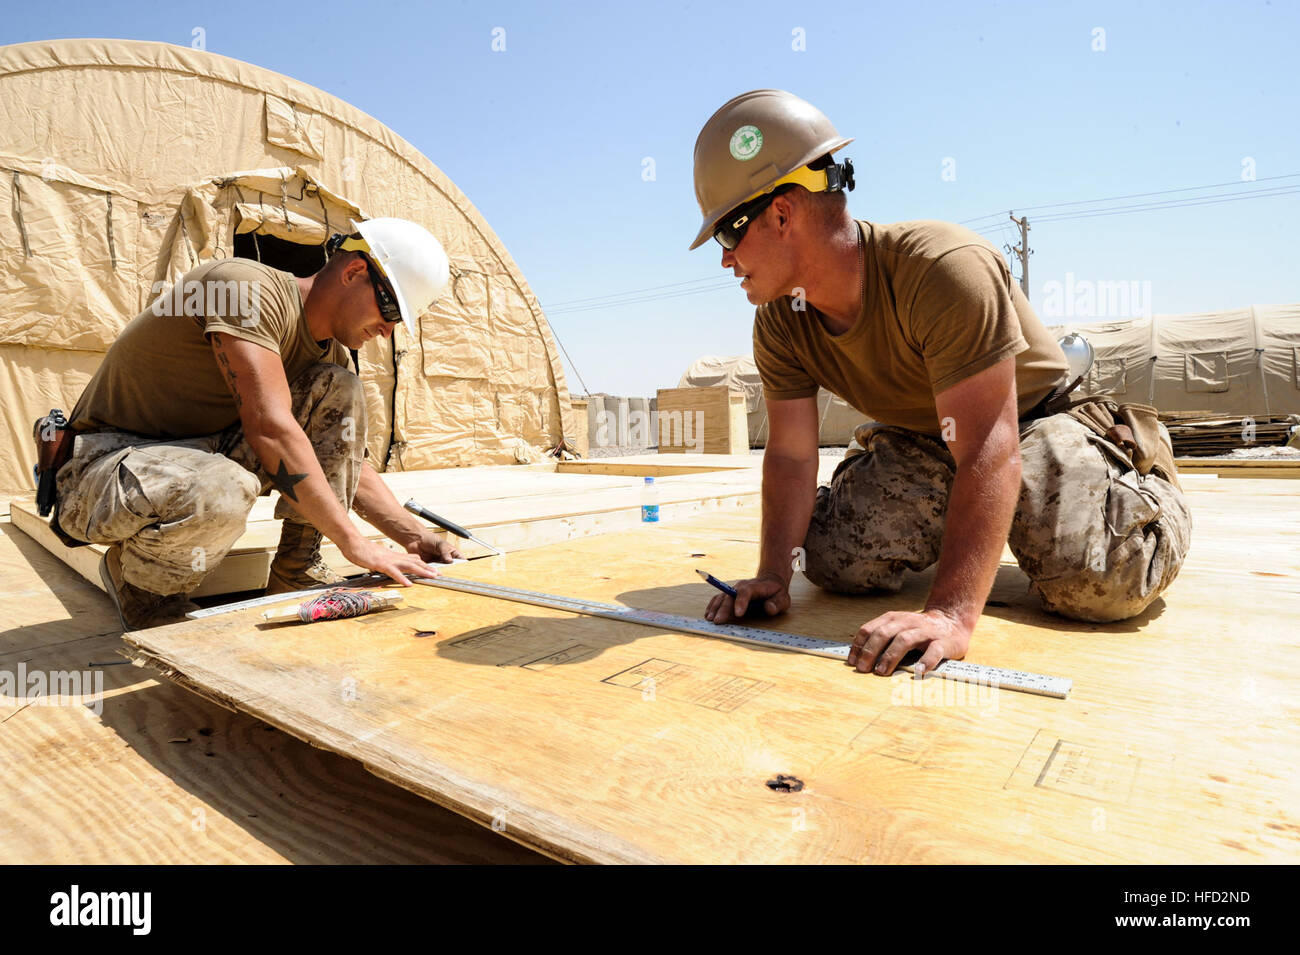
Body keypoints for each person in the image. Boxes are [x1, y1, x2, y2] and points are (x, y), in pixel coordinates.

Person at [689, 90, 1191, 677]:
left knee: (1103, 585)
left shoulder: (943, 268)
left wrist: (951, 613)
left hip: (1029, 422)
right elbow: (792, 454)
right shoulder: (781, 319)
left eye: (727, 235)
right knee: (830, 562)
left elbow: (989, 448)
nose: (724, 260)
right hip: (925, 439)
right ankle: (971, 518)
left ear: (781, 214)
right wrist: (775, 574)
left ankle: (1145, 480)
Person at [52, 217, 463, 630]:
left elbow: (345, 465)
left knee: (340, 386)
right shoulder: (242, 288)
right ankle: (146, 593)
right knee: (224, 485)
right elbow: (270, 429)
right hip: (100, 472)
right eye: (390, 309)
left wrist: (413, 536)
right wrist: (354, 543)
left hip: (198, 460)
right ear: (354, 271)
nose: (388, 331)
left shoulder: (330, 358)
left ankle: (296, 570)